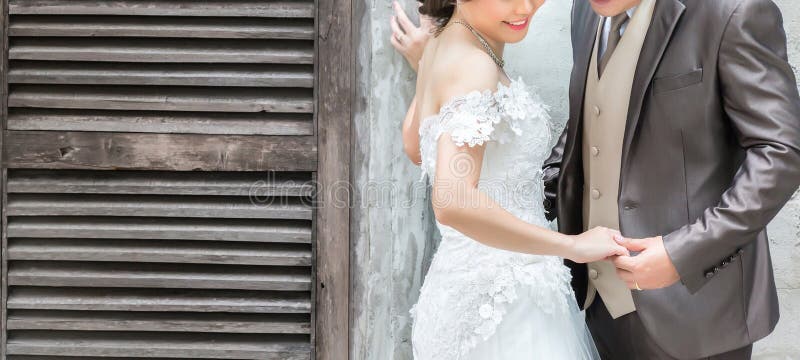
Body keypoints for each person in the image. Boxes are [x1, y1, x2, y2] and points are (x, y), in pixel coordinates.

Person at [393, 0, 800, 359]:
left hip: (693, 314)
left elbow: (781, 155)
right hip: (589, 305)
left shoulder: (733, 11)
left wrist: (681, 253)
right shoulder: (586, 12)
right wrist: (568, 241)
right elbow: (592, 117)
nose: (527, 8)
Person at [393, 0, 631, 358]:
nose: (525, 8)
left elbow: (416, 147)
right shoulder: (474, 65)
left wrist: (424, 68)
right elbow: (452, 200)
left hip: (459, 294)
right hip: (504, 307)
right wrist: (573, 246)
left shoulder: (442, 46)